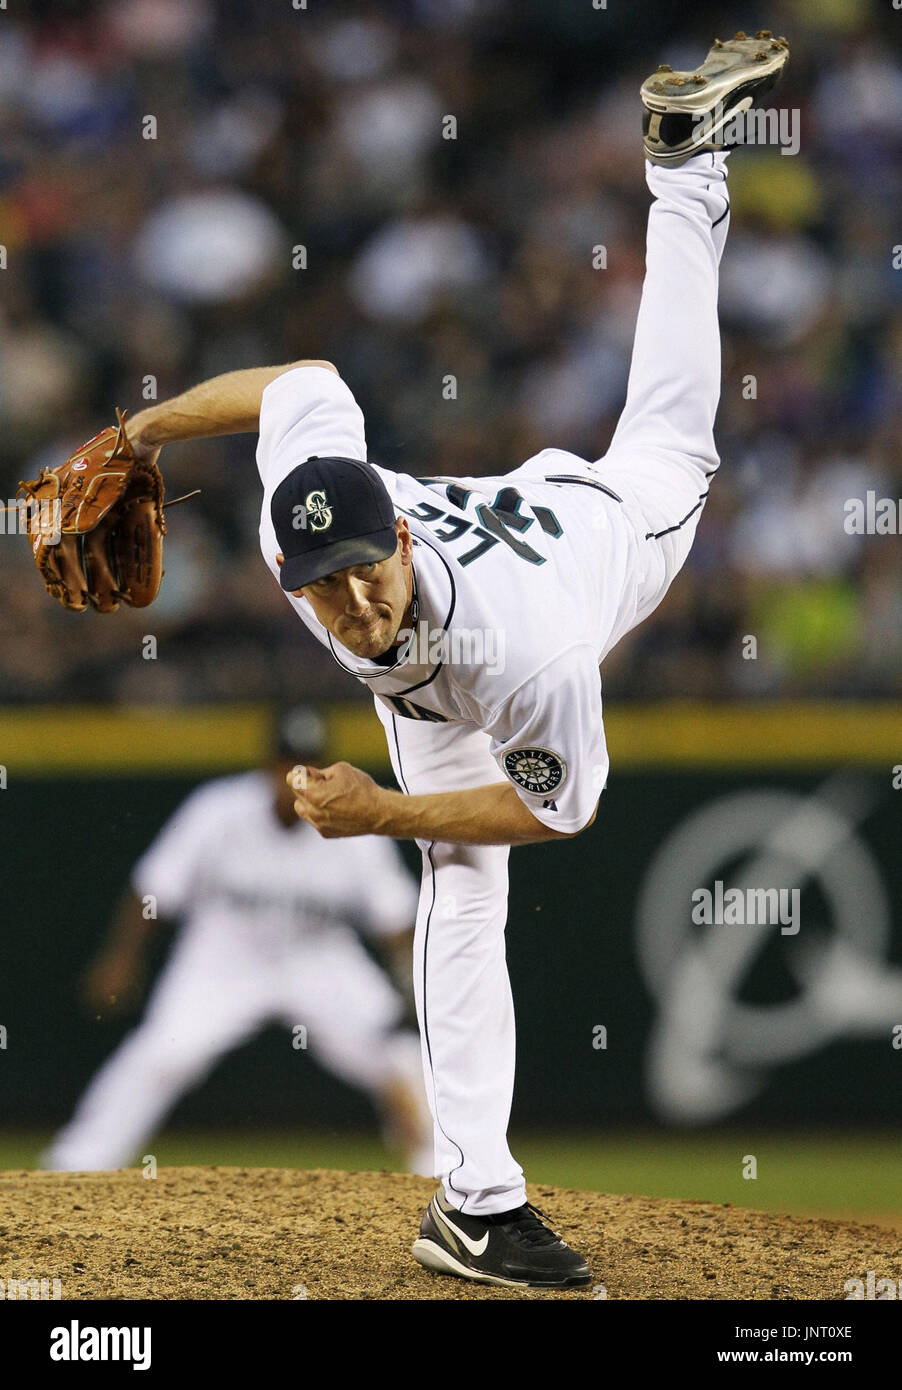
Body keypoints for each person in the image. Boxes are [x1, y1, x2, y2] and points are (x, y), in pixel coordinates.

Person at [113, 34, 789, 1288]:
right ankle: (476, 1202)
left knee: (674, 443)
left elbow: (560, 805)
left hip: (597, 535)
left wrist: (383, 811)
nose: (352, 597)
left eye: (368, 567)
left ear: (401, 533)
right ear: (290, 565)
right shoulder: (302, 513)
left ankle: (686, 176)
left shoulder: (527, 649)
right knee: (459, 885)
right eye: (326, 583)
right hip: (462, 609)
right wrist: (139, 428)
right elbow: (300, 382)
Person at [41, 706, 431, 1176]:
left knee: (398, 1056)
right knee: (164, 1054)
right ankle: (77, 1166)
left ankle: (439, 1172)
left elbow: (392, 918)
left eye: (307, 764)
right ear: (266, 767)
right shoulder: (219, 810)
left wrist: (411, 985)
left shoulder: (353, 824)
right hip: (225, 957)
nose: (296, 776)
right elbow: (154, 890)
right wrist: (121, 958)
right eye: (286, 763)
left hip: (318, 956)